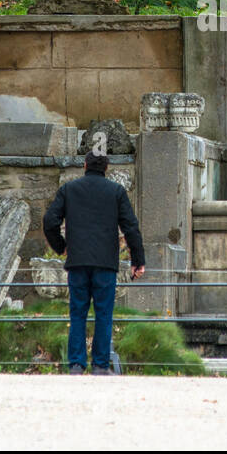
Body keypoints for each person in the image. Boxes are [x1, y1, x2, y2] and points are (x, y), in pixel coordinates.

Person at [43, 152, 145, 375]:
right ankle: (100, 364)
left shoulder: (69, 190)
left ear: (85, 165)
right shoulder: (116, 192)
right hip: (105, 262)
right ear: (106, 168)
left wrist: (61, 246)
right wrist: (138, 260)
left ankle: (77, 364)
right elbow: (131, 228)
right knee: (103, 314)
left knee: (77, 313)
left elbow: (50, 221)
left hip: (78, 261)